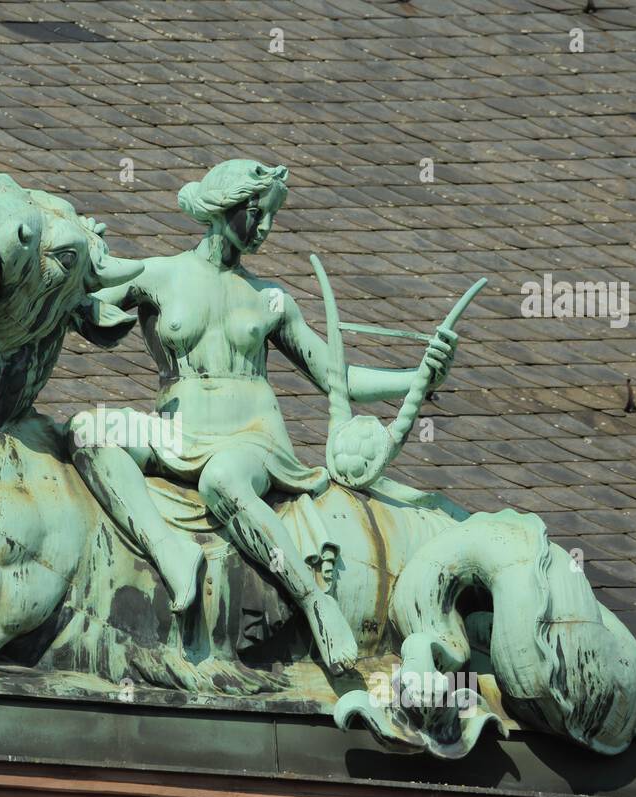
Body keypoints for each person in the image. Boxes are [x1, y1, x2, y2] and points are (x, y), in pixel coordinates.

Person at [67, 160, 455, 674]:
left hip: (252, 435)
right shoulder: (159, 275)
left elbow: (338, 378)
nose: (267, 228)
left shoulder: (270, 299)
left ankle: (317, 603)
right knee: (88, 429)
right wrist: (77, 260)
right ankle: (172, 554)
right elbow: (88, 308)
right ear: (225, 207)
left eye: (271, 215)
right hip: (176, 429)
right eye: (258, 213)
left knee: (223, 481)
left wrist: (418, 377)